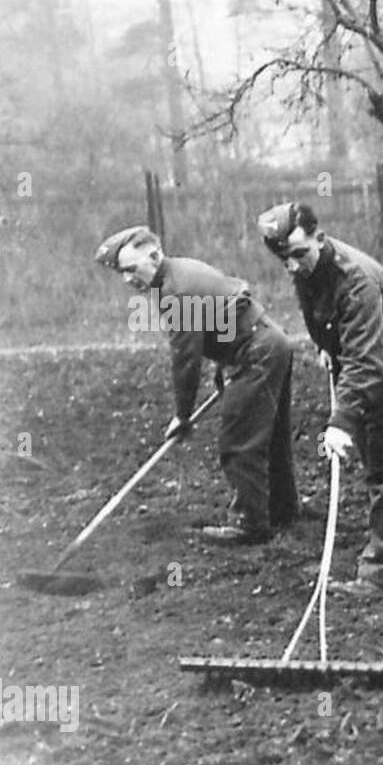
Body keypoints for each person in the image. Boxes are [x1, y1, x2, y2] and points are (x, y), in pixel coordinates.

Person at [257, 202, 383, 595]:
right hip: (370, 354)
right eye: (282, 257)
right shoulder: (307, 265)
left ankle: (382, 574)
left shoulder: (354, 280)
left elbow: (368, 363)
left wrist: (341, 422)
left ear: (321, 238)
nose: (291, 266)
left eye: (298, 254)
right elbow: (320, 314)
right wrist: (326, 345)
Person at [94, 226, 299, 545]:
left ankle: (251, 524)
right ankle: (282, 510)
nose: (126, 280)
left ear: (154, 256)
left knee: (239, 438)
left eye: (131, 270)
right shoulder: (176, 274)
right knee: (268, 434)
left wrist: (182, 415)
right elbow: (220, 317)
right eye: (121, 272)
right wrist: (225, 369)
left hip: (258, 351)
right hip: (268, 343)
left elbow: (186, 358)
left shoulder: (174, 290)